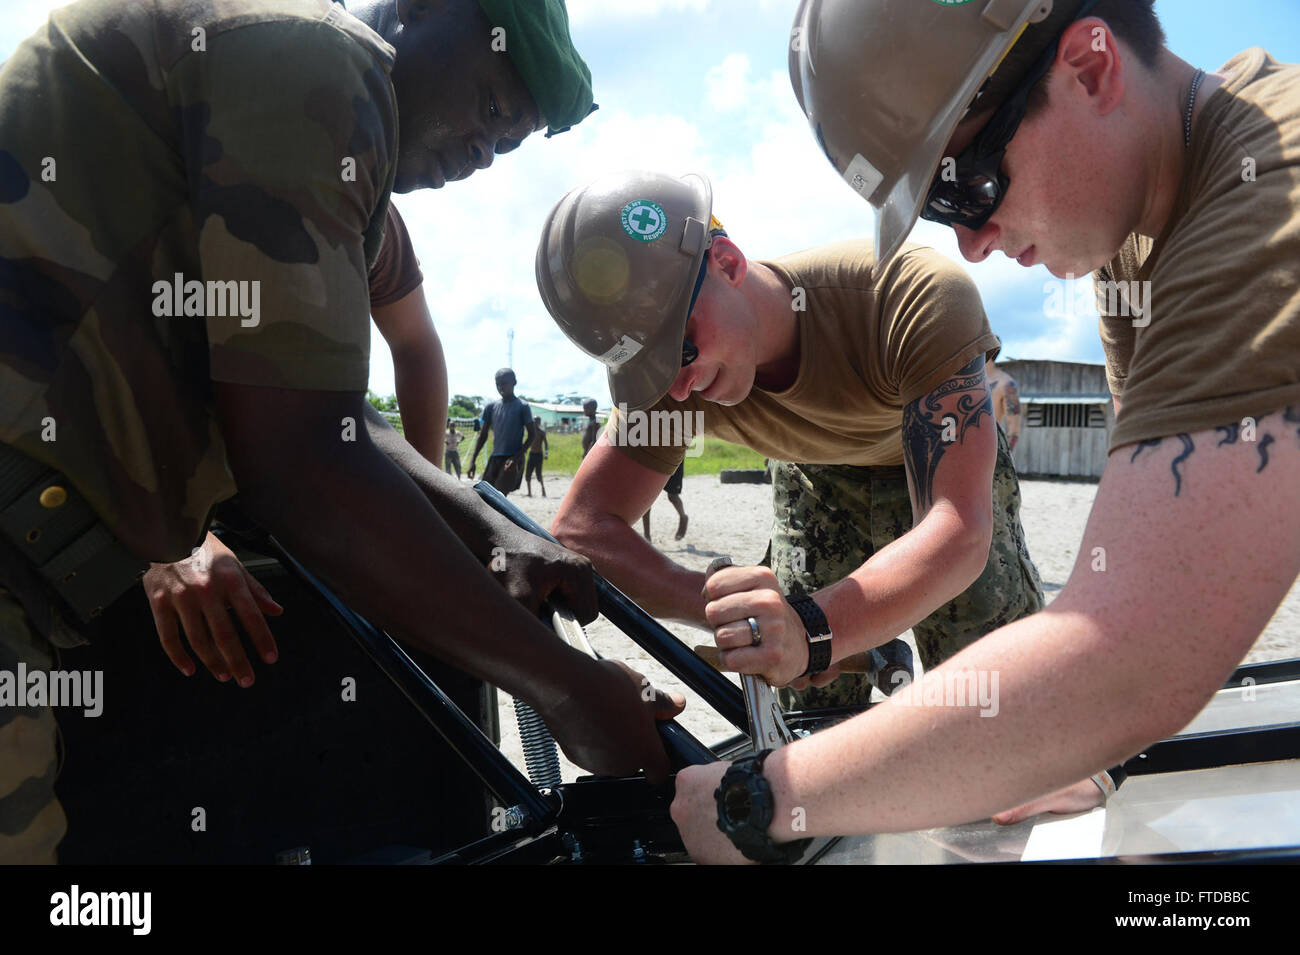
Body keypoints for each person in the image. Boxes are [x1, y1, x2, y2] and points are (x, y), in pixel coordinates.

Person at [0, 0, 678, 864]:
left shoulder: (336, 163)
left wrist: (495, 525)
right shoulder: (314, 57)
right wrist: (572, 692)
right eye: (494, 107)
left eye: (503, 145)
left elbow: (332, 414)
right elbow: (301, 461)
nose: (482, 150)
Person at [670, 0, 1300, 863]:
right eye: (936, 206)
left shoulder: (1268, 196)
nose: (969, 243)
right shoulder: (1139, 228)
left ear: (1090, 68)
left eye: (971, 183)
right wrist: (1091, 742)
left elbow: (1126, 659)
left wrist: (764, 797)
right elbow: (1151, 581)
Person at [537, 170, 1044, 720]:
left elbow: (957, 529)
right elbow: (583, 530)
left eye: (677, 354)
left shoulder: (908, 296)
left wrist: (815, 627)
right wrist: (734, 611)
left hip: (932, 470)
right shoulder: (675, 379)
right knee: (806, 712)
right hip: (814, 479)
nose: (676, 388)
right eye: (647, 372)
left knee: (992, 702)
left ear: (728, 264)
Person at [467, 369, 534, 496]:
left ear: (514, 382)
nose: (500, 387)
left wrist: (516, 458)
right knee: (483, 493)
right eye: (497, 384)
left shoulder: (522, 406)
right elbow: (483, 435)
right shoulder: (490, 407)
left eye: (504, 383)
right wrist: (473, 460)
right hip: (495, 457)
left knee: (498, 497)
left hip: (513, 458)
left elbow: (532, 435)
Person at [640, 463, 688, 543]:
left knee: (673, 497)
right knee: (647, 497)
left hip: (674, 460)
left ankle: (683, 517)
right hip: (654, 460)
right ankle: (647, 537)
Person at [986, 359, 1023, 452]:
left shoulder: (1005, 384)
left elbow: (1014, 429)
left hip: (987, 450)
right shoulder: (963, 380)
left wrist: (1004, 459)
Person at [524, 416, 549, 497]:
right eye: (534, 421)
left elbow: (546, 444)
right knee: (528, 474)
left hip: (539, 455)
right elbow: (528, 442)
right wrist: (525, 451)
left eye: (537, 421)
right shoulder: (531, 433)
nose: (535, 423)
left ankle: (543, 489)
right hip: (531, 454)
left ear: (539, 423)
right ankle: (529, 493)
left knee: (538, 475)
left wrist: (546, 453)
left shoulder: (542, 432)